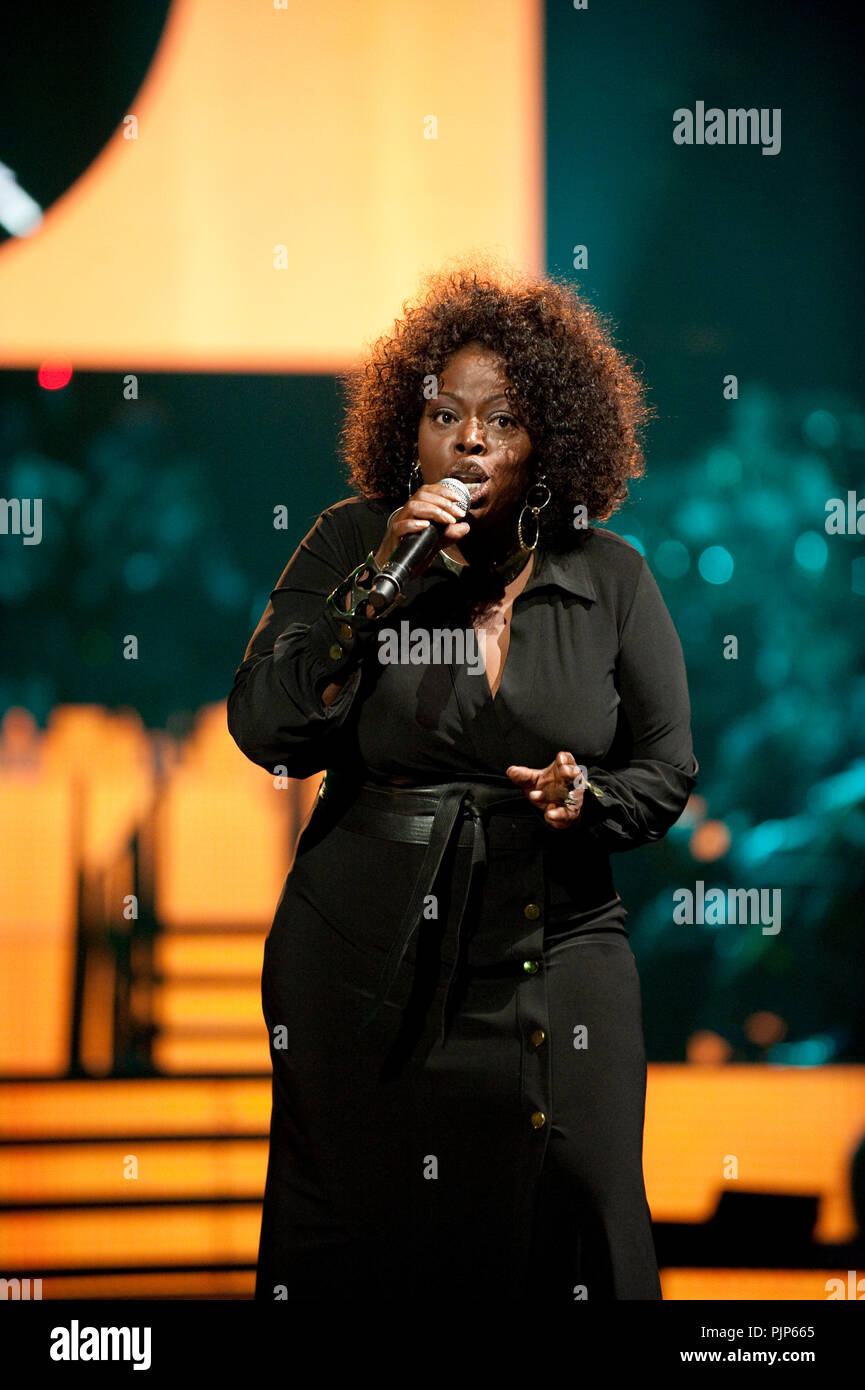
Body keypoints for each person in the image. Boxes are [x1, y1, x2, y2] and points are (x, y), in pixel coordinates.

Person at [227, 262, 698, 1307]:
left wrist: (591, 799)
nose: (471, 439)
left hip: (557, 936)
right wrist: (376, 588)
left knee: (584, 1205)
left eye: (503, 420)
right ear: (413, 431)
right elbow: (268, 727)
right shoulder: (352, 541)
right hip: (365, 957)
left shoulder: (609, 575)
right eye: (446, 415)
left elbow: (666, 765)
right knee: (369, 1235)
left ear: (552, 444)